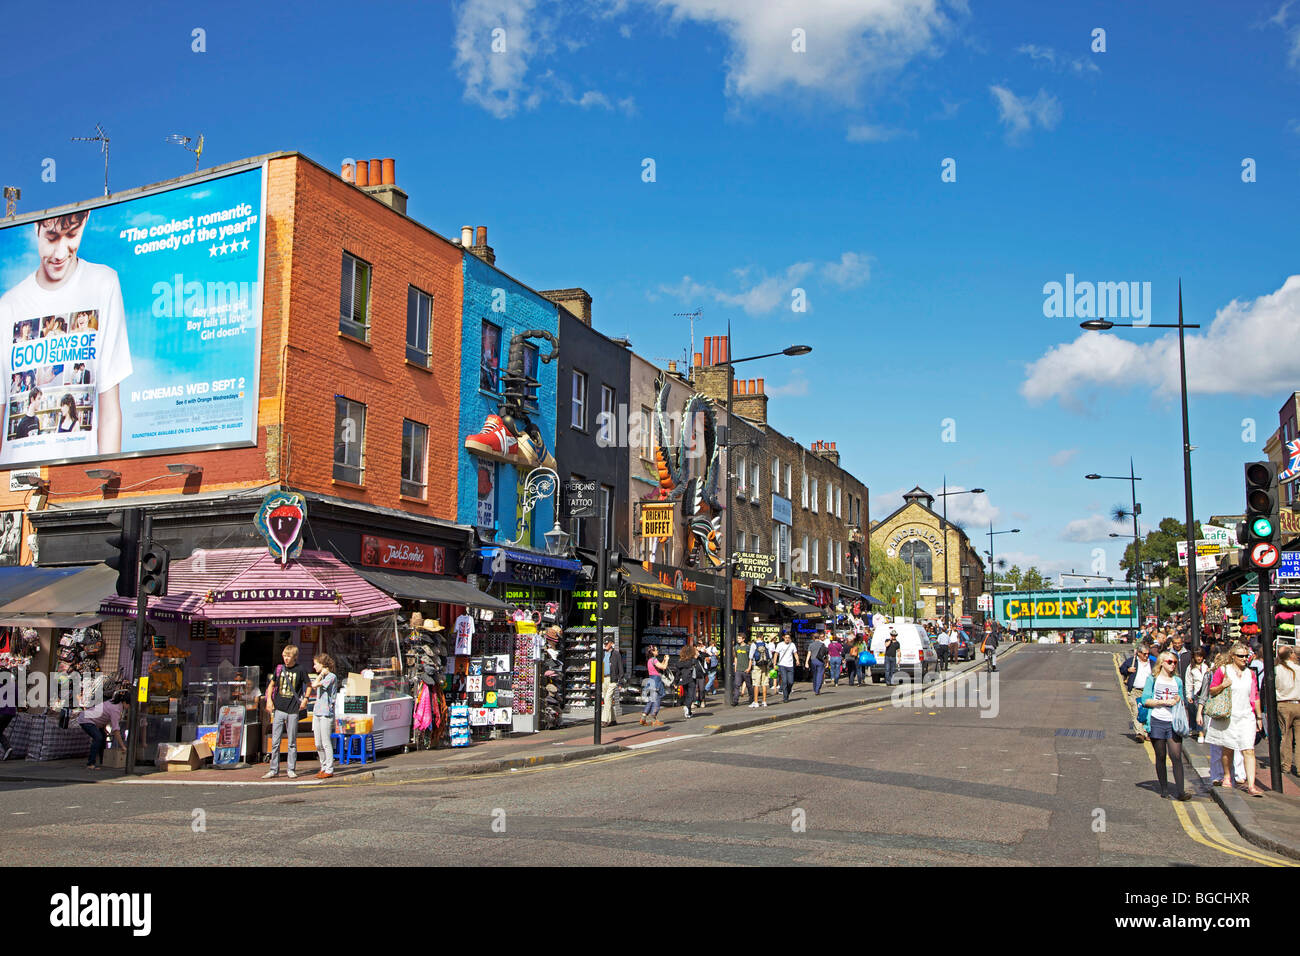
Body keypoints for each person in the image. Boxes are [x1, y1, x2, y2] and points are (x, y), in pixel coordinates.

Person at [0, 210, 131, 465]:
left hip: (79, 478)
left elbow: (109, 412)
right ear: (37, 228)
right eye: (51, 238)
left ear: (85, 222)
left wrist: (106, 481)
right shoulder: (9, 306)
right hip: (14, 480)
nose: (60, 253)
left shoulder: (103, 283)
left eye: (71, 236)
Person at [1205, 642, 1265, 797]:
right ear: (1232, 656)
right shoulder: (1223, 670)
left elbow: (1255, 696)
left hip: (1247, 717)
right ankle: (1226, 776)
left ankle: (1251, 785)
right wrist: (1223, 685)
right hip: (1229, 716)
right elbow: (1211, 690)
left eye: (1246, 656)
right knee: (1228, 748)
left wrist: (1259, 717)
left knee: (1249, 749)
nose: (1244, 659)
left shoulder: (1250, 674)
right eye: (1241, 656)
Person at [1141, 652, 1190, 800]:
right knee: (1161, 756)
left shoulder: (1177, 681)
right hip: (1156, 721)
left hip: (1173, 722)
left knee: (1176, 756)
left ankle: (1181, 792)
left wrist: (1178, 699)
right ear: (1162, 662)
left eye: (1175, 662)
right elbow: (1145, 700)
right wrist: (1163, 702)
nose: (1173, 665)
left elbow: (1181, 700)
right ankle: (1164, 789)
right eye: (1170, 662)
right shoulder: (1153, 679)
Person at [264, 645, 309, 779]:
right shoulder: (279, 669)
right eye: (284, 656)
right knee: (275, 741)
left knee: (292, 741)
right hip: (279, 708)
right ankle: (274, 769)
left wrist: (305, 699)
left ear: (295, 657)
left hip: (293, 709)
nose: (286, 659)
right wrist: (269, 700)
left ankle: (291, 769)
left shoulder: (300, 669)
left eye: (289, 656)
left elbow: (309, 685)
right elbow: (272, 685)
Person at [78, 689, 127, 770]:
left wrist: (103, 727)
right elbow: (116, 729)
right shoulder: (116, 709)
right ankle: (90, 763)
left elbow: (104, 715)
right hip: (86, 719)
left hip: (89, 719)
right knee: (98, 738)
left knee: (102, 737)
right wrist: (122, 746)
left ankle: (103, 761)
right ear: (125, 702)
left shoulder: (113, 703)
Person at [308, 653, 339, 779]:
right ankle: (323, 766)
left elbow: (315, 685)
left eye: (316, 664)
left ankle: (329, 769)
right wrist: (320, 675)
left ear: (323, 664)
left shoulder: (331, 676)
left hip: (326, 713)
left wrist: (321, 675)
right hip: (317, 712)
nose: (314, 667)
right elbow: (313, 685)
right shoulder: (321, 677)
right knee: (318, 743)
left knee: (326, 742)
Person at [1120, 641, 1155, 741]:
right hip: (1135, 691)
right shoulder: (1132, 661)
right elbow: (1122, 669)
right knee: (1136, 711)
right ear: (1139, 653)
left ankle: (1146, 732)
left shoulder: (1152, 663)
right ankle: (1139, 733)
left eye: (1148, 654)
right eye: (1144, 654)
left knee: (1146, 712)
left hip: (1148, 692)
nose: (1146, 656)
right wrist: (1128, 670)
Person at [1275, 645, 1300, 775]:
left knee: (1286, 736)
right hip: (1298, 704)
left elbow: (1274, 687)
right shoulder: (1298, 668)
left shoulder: (1277, 669)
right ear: (1291, 655)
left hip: (1283, 704)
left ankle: (1286, 765)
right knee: (1299, 738)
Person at [640, 645, 668, 726]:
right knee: (657, 699)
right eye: (656, 650)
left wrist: (664, 660)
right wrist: (667, 660)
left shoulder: (649, 660)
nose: (657, 651)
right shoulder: (654, 659)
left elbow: (660, 666)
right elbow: (663, 667)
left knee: (651, 699)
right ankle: (654, 718)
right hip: (656, 681)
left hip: (651, 680)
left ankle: (643, 717)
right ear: (652, 652)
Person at [673, 644, 703, 719]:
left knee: (687, 695)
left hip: (683, 680)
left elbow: (677, 673)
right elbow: (700, 669)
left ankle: (688, 712)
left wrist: (675, 682)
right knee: (691, 695)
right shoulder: (693, 661)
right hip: (691, 679)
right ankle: (687, 706)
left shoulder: (680, 662)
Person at [1186, 647, 1209, 742]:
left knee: (1207, 713)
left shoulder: (1207, 665)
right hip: (1197, 693)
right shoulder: (1190, 668)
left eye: (1201, 656)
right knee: (1200, 713)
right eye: (1197, 656)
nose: (1199, 658)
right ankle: (1200, 733)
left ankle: (1206, 731)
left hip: (1208, 692)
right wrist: (1189, 695)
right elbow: (1188, 682)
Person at [601, 634, 624, 727]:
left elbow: (620, 667)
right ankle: (613, 720)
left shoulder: (616, 654)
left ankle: (604, 720)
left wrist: (620, 681)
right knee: (607, 700)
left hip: (612, 679)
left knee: (607, 698)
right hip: (603, 679)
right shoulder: (602, 653)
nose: (605, 645)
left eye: (607, 643)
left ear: (611, 643)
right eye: (604, 643)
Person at [773, 631, 799, 702]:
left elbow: (795, 653)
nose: (787, 639)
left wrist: (797, 660)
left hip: (790, 665)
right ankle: (785, 697)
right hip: (782, 665)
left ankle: (787, 693)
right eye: (786, 637)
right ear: (783, 638)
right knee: (784, 681)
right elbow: (776, 654)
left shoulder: (792, 645)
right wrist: (774, 664)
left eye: (788, 638)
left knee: (790, 682)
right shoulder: (780, 645)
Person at [749, 632, 770, 707]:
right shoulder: (765, 644)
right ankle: (764, 701)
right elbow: (769, 655)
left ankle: (756, 702)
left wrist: (749, 666)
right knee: (764, 684)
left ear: (756, 637)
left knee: (756, 684)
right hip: (765, 665)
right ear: (762, 637)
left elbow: (750, 656)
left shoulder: (753, 645)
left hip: (757, 666)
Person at [804, 630, 828, 695]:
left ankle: (815, 688)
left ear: (813, 638)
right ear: (819, 637)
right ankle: (817, 689)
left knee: (814, 675)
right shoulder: (822, 644)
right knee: (820, 675)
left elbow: (809, 654)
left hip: (813, 661)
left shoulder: (811, 645)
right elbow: (825, 654)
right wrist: (827, 662)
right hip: (820, 661)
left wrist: (806, 662)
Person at [733, 632, 753, 706]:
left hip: (746, 669)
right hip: (738, 669)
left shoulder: (748, 647)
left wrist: (749, 668)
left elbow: (750, 658)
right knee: (737, 685)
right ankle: (735, 700)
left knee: (749, 685)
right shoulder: (736, 647)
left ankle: (751, 698)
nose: (738, 639)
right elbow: (736, 657)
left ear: (743, 639)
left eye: (739, 638)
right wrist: (735, 668)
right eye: (737, 638)